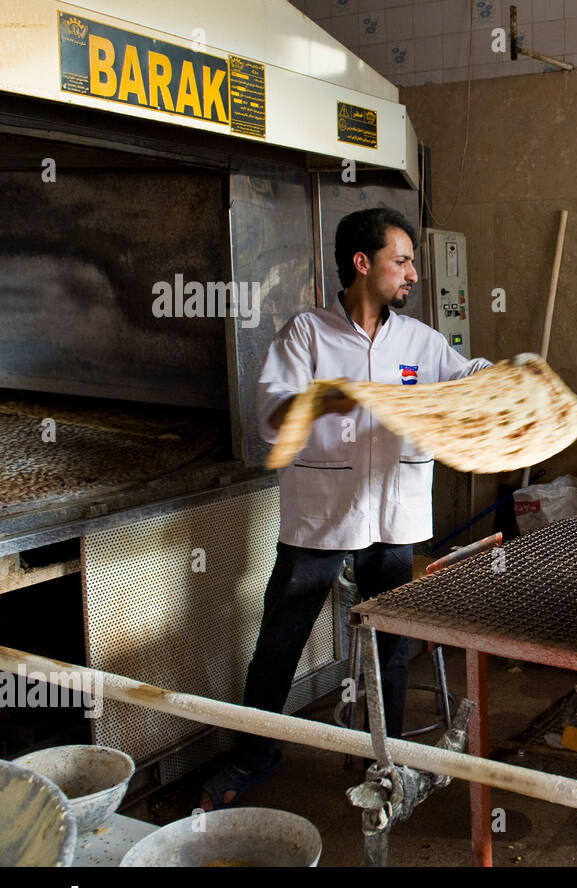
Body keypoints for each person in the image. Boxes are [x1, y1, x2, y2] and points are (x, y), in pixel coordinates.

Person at [196, 207, 492, 810]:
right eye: (401, 260)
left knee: (389, 637)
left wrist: (498, 378)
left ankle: (381, 756)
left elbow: (466, 378)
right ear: (364, 263)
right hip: (321, 514)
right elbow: (271, 417)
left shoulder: (420, 341)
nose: (412, 274)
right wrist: (322, 402)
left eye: (411, 262)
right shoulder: (307, 334)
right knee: (282, 636)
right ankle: (254, 753)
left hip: (396, 513)